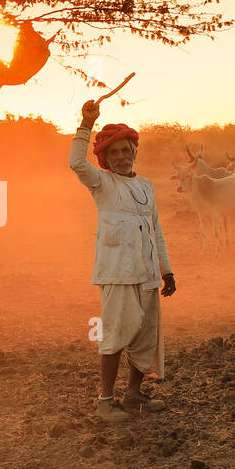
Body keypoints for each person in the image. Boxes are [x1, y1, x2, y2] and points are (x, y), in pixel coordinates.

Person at [69, 99, 176, 422]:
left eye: (125, 151)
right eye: (113, 152)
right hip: (116, 274)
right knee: (115, 334)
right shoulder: (102, 184)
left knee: (145, 337)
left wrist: (166, 270)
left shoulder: (145, 186)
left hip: (147, 275)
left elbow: (156, 229)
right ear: (105, 157)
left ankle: (132, 397)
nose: (120, 157)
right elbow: (76, 163)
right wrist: (86, 125)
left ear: (134, 153)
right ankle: (104, 401)